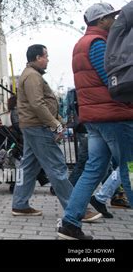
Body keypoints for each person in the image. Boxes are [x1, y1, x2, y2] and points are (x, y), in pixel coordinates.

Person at [58, 3, 133, 240]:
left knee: (93, 169)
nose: (115, 21)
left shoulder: (81, 44)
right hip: (114, 115)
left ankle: (70, 222)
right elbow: (112, 78)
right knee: (130, 168)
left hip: (95, 118)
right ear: (101, 21)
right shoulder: (99, 44)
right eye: (111, 17)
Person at [12, 44, 101, 222]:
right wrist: (55, 124)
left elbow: (44, 103)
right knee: (57, 167)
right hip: (37, 127)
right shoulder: (32, 76)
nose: (48, 59)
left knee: (29, 167)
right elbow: (37, 104)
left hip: (33, 126)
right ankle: (75, 210)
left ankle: (20, 204)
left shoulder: (32, 75)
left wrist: (58, 120)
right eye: (46, 56)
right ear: (38, 57)